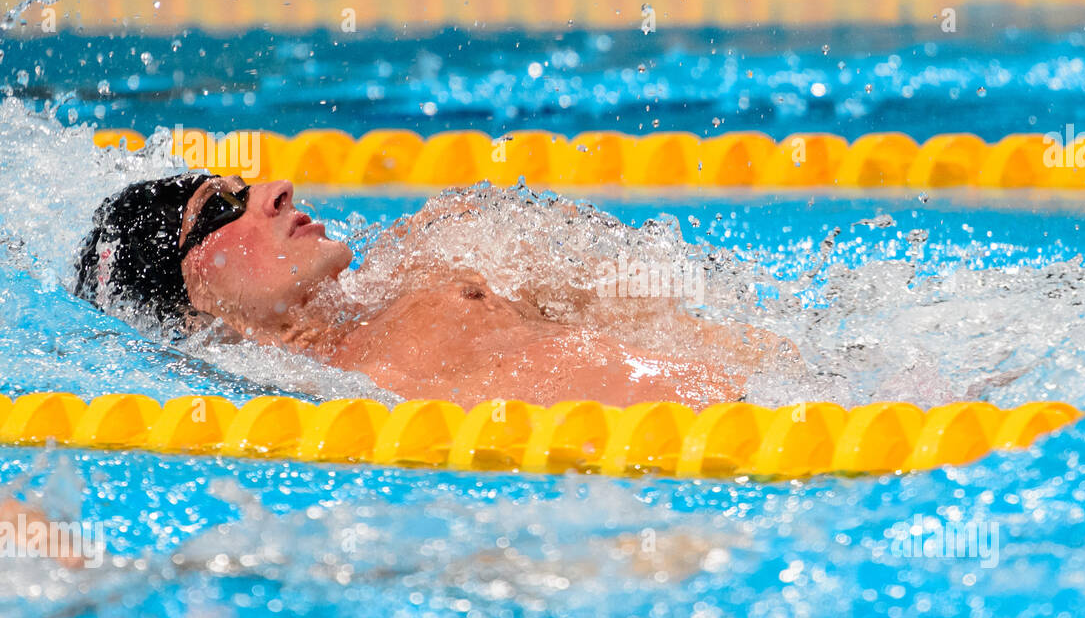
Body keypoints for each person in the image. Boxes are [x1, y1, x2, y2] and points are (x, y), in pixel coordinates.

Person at [73, 173, 799, 409]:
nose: (274, 186)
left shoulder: (416, 264)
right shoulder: (373, 382)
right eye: (219, 212)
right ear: (193, 299)